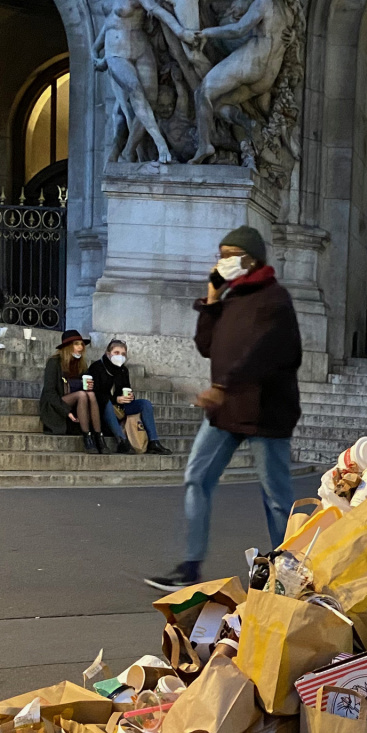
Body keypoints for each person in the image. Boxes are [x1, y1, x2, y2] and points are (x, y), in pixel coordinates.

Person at [146, 225, 301, 589]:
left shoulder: (275, 299)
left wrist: (222, 386)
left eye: (231, 254)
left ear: (252, 259)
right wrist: (212, 297)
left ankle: (288, 572)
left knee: (276, 497)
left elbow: (265, 352)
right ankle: (190, 566)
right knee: (196, 477)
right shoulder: (231, 298)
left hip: (265, 410)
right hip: (227, 409)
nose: (224, 261)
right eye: (221, 254)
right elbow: (205, 345)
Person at [91, 339, 171, 454]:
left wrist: (129, 397)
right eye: (116, 353)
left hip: (120, 408)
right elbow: (96, 393)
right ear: (108, 353)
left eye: (123, 354)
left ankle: (154, 441)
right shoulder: (97, 367)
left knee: (145, 404)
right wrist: (115, 399)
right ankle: (122, 441)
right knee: (106, 401)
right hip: (103, 409)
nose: (120, 356)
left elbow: (126, 388)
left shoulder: (123, 370)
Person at [40, 329, 106, 453]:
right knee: (82, 395)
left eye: (81, 344)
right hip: (57, 404)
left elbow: (85, 388)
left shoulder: (81, 364)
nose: (80, 347)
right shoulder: (54, 362)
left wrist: (90, 386)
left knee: (90, 394)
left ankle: (99, 436)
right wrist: (67, 411)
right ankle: (87, 437)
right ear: (67, 347)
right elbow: (50, 392)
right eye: (76, 344)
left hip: (78, 402)